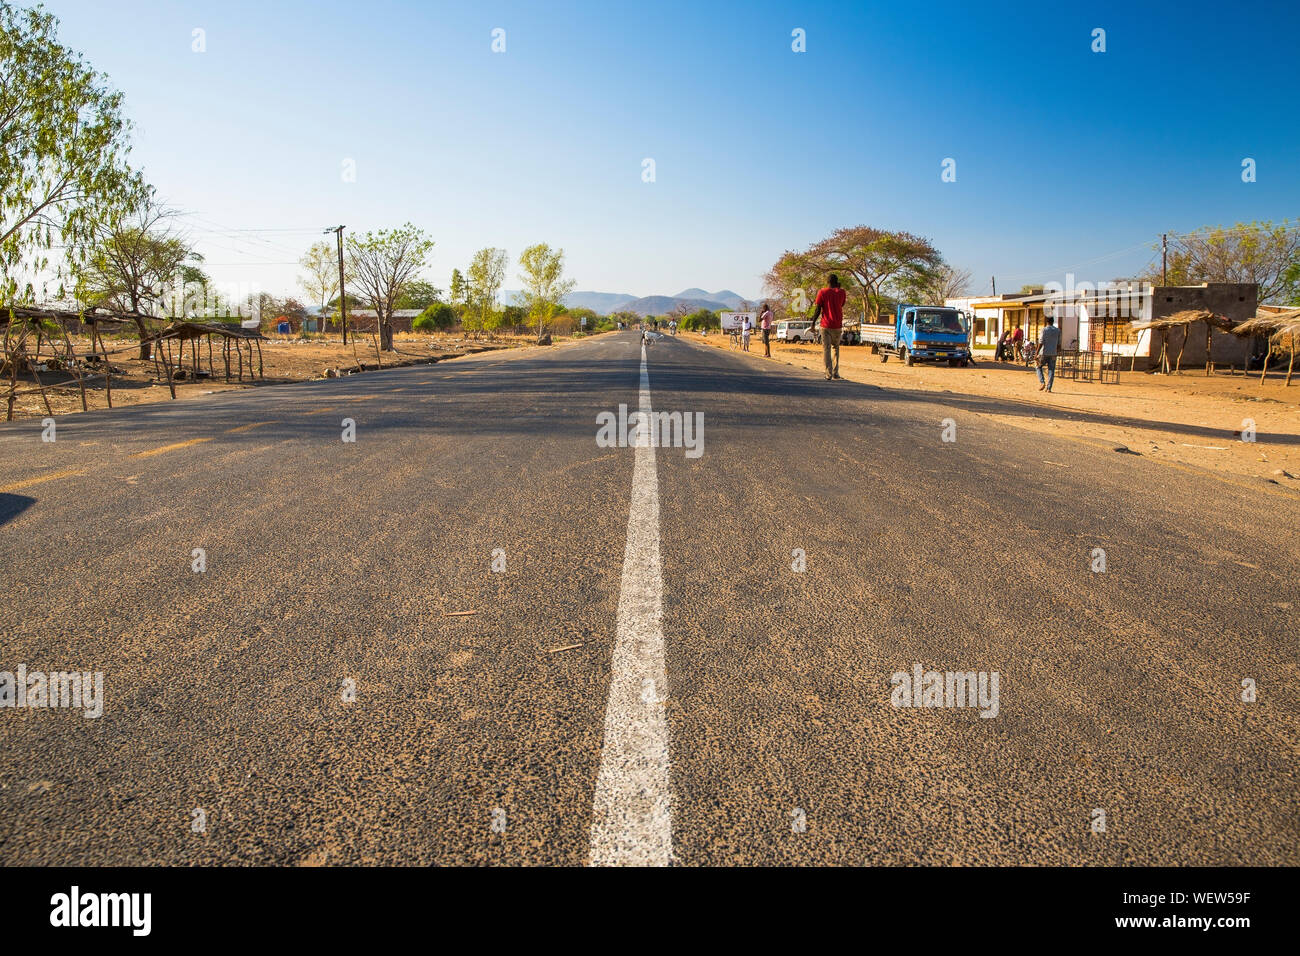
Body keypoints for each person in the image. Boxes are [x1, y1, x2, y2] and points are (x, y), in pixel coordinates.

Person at [811, 274, 847, 380]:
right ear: (837, 282)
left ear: (828, 282)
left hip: (826, 325)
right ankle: (836, 372)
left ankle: (828, 373)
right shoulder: (842, 292)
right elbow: (841, 304)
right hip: (837, 325)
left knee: (826, 349)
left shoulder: (822, 292)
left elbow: (818, 309)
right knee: (835, 348)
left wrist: (813, 323)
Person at [1035, 316, 1061, 392]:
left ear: (1047, 322)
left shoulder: (1044, 330)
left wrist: (1036, 353)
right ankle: (1049, 388)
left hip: (1044, 352)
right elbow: (1059, 344)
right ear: (1053, 321)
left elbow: (1040, 342)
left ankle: (1042, 382)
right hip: (1053, 353)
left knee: (1038, 366)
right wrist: (1057, 352)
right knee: (1051, 370)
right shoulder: (1058, 331)